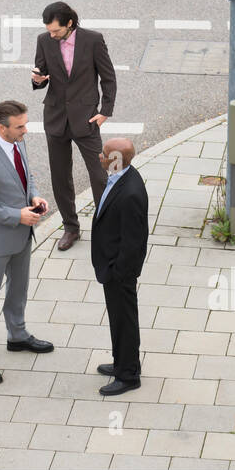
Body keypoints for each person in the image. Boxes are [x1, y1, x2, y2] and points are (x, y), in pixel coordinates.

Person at [0, 100, 54, 383]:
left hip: (22, 235)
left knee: (19, 289)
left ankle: (17, 336)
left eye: (25, 124)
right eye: (19, 126)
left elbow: (26, 177)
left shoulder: (18, 144)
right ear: (2, 128)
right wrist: (17, 215)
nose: (25, 130)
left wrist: (34, 197)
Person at [30, 1, 117, 251]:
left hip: (86, 117)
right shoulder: (44, 41)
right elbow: (41, 74)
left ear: (69, 23)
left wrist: (105, 112)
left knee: (99, 175)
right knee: (60, 177)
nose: (52, 35)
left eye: (56, 30)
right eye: (49, 30)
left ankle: (105, 227)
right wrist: (37, 79)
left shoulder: (93, 40)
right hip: (56, 118)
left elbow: (108, 78)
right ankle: (71, 228)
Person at [90, 137, 148, 396]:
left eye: (103, 154)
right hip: (113, 268)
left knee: (124, 320)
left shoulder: (131, 193)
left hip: (120, 273)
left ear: (115, 160)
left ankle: (128, 375)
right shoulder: (120, 178)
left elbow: (134, 242)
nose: (99, 156)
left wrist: (117, 271)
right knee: (118, 319)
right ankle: (121, 362)